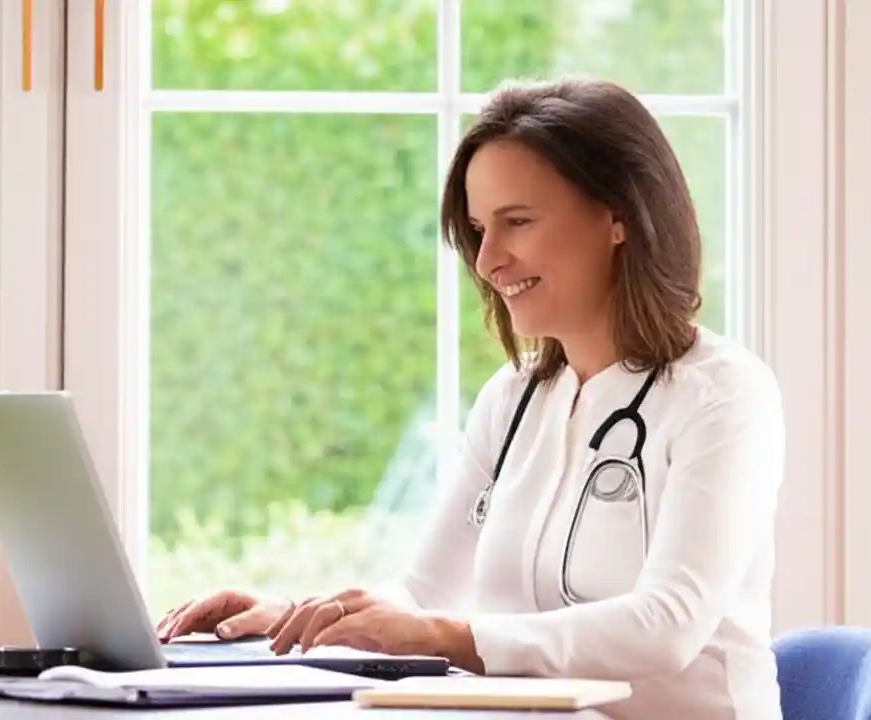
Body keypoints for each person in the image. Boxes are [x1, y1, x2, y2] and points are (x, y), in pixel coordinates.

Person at [156, 77, 786, 719]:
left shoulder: (722, 395)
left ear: (618, 216)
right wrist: (298, 619)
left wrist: (448, 636)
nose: (488, 261)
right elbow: (423, 594)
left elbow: (668, 624)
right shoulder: (514, 399)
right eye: (479, 229)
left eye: (517, 222)